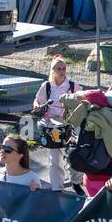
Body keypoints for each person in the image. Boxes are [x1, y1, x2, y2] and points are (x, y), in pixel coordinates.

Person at [31, 56, 78, 191]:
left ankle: (76, 182)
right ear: (53, 70)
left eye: (64, 68)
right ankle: (57, 188)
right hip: (52, 127)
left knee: (73, 155)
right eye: (59, 68)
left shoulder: (72, 85)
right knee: (55, 158)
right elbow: (37, 101)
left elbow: (82, 100)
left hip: (70, 125)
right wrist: (38, 107)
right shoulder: (46, 86)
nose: (62, 71)